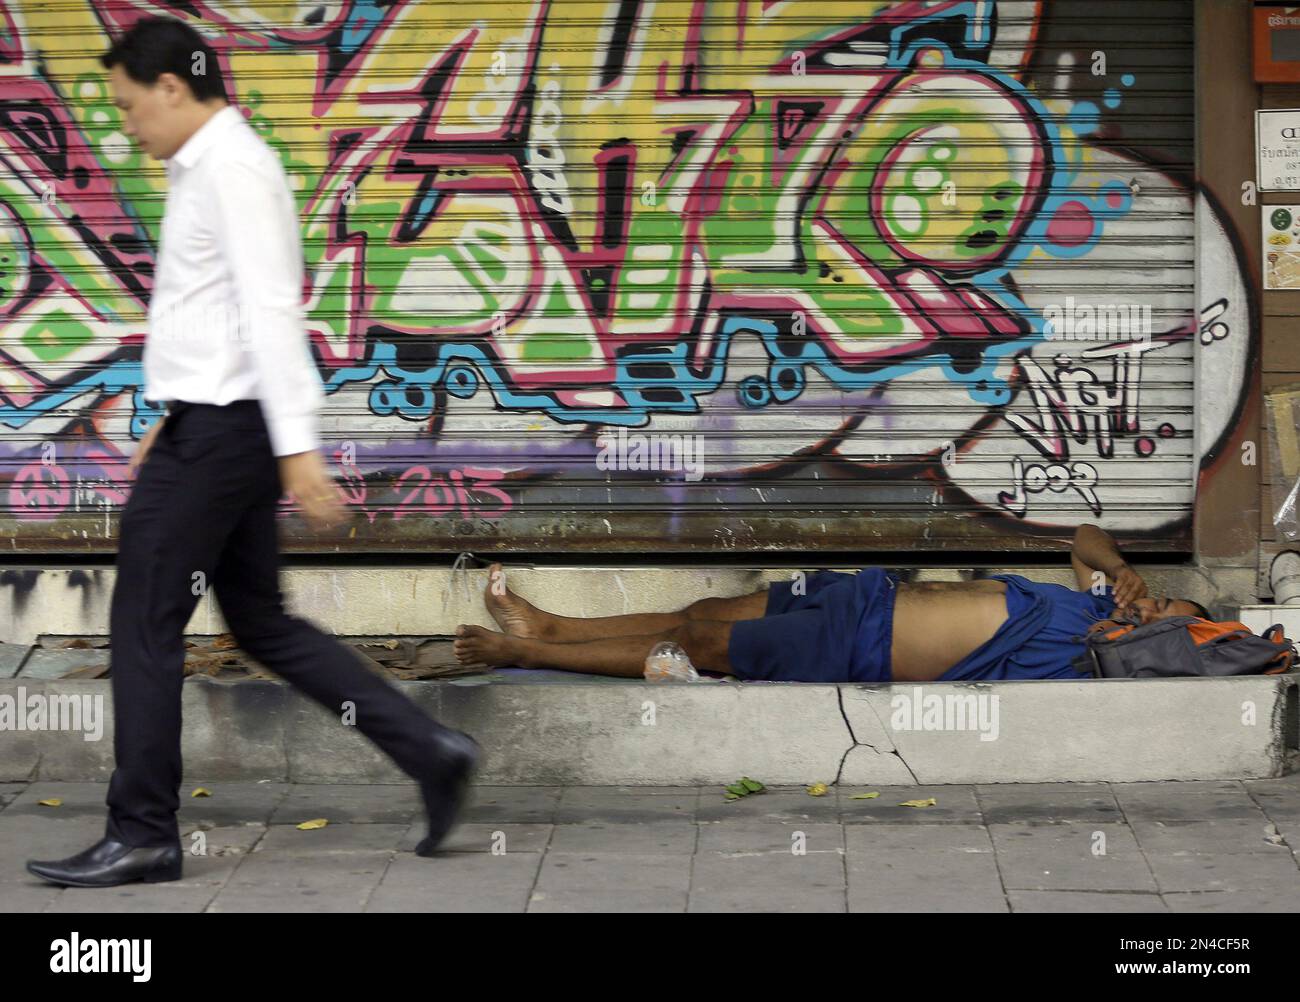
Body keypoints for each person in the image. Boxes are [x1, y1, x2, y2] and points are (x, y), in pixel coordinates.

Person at [25, 16, 477, 889]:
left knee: (143, 622)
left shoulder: (233, 167)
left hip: (230, 432)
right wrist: (179, 401)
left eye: (128, 106)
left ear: (171, 87)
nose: (124, 125)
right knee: (260, 620)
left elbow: (273, 310)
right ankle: (429, 749)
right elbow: (219, 310)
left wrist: (297, 448)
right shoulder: (209, 166)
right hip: (216, 420)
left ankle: (145, 832)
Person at [453, 524, 1210, 682]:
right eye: (1162, 597)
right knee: (705, 614)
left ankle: (526, 649)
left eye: (1167, 611)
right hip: (864, 597)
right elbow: (1082, 537)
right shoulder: (1100, 604)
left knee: (705, 648)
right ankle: (552, 623)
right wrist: (1121, 565)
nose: (1155, 602)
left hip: (856, 651)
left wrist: (1158, 625)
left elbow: (1205, 649)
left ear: (1168, 644)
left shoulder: (1094, 654)